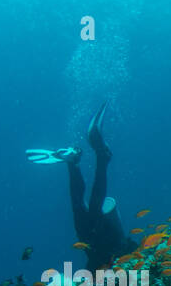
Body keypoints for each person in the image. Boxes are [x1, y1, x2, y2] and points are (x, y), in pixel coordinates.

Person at [26, 103, 138, 269]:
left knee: (78, 206)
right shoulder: (127, 261)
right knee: (90, 209)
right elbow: (133, 251)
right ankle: (100, 157)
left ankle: (74, 162)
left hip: (89, 239)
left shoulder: (95, 271)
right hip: (106, 238)